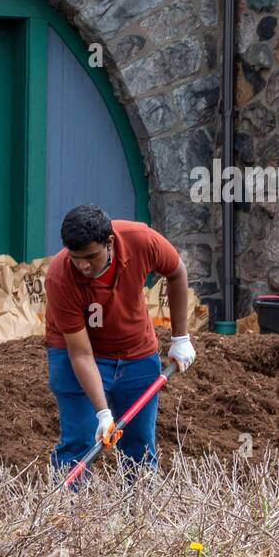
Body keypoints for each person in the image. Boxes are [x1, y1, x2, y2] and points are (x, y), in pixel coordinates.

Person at [44, 204, 195, 478]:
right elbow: (80, 354)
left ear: (110, 242)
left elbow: (176, 272)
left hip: (135, 352)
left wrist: (180, 338)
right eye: (76, 257)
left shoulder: (141, 240)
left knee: (139, 446)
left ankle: (140, 514)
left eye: (90, 256)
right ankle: (62, 513)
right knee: (79, 441)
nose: (83, 265)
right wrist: (103, 413)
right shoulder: (60, 277)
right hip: (77, 357)